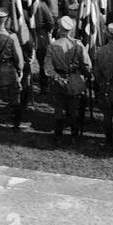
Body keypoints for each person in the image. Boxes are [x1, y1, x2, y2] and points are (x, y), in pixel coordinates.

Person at [44, 15, 91, 145]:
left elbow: (48, 68)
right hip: (75, 80)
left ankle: (58, 136)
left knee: (59, 109)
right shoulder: (78, 45)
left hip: (59, 80)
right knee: (73, 109)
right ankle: (74, 136)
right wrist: (87, 76)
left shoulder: (53, 46)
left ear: (59, 29)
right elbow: (87, 65)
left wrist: (57, 77)